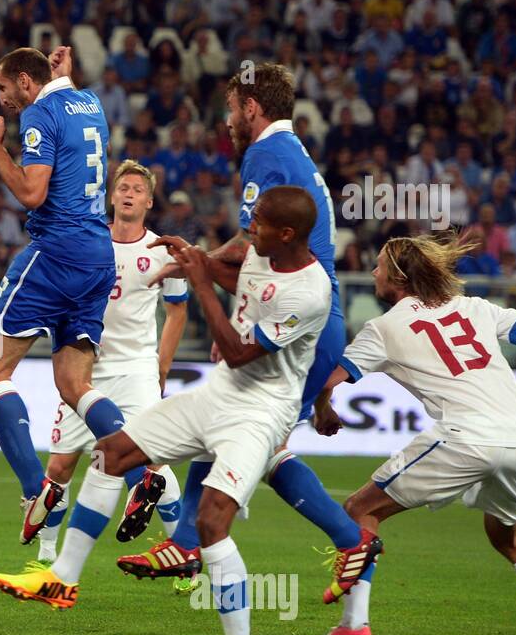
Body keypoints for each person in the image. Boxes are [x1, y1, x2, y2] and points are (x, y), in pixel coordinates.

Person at [93, 186, 354, 635]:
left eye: (259, 223)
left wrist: (200, 285)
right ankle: (147, 505)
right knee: (110, 453)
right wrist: (192, 258)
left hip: (260, 412)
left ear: (288, 233)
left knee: (215, 521)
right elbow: (240, 278)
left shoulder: (311, 291)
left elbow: (237, 351)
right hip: (218, 396)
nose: (249, 229)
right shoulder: (262, 249)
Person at [305, 236, 516, 635]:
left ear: (398, 278)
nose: (373, 274)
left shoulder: (383, 328)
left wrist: (323, 410)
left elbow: (327, 379)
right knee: (508, 538)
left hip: (466, 436)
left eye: (379, 267)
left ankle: (352, 628)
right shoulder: (474, 307)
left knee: (359, 509)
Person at [134, 62, 366, 599]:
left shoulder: (263, 154)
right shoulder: (292, 152)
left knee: (237, 431)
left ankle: (348, 539)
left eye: (232, 108)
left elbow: (247, 245)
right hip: (307, 315)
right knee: (236, 429)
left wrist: (195, 262)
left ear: (252, 108)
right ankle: (191, 541)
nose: (228, 119)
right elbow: (263, 255)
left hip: (300, 315)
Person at [0, 160, 190, 609]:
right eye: (123, 187)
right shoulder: (90, 242)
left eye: (138, 189)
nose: (129, 194)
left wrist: (161, 364)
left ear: (149, 201)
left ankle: (186, 554)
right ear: (111, 195)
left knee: (143, 458)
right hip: (87, 369)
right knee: (60, 466)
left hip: (136, 369)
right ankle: (47, 562)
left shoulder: (161, 250)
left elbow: (178, 311)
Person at [0, 45, 149, 546]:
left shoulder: (38, 114)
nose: (2, 98)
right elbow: (64, 99)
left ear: (26, 83)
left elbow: (32, 194)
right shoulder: (88, 101)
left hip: (56, 252)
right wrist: (62, 77)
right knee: (74, 384)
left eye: (5, 87)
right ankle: (143, 472)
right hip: (99, 254)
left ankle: (36, 491)